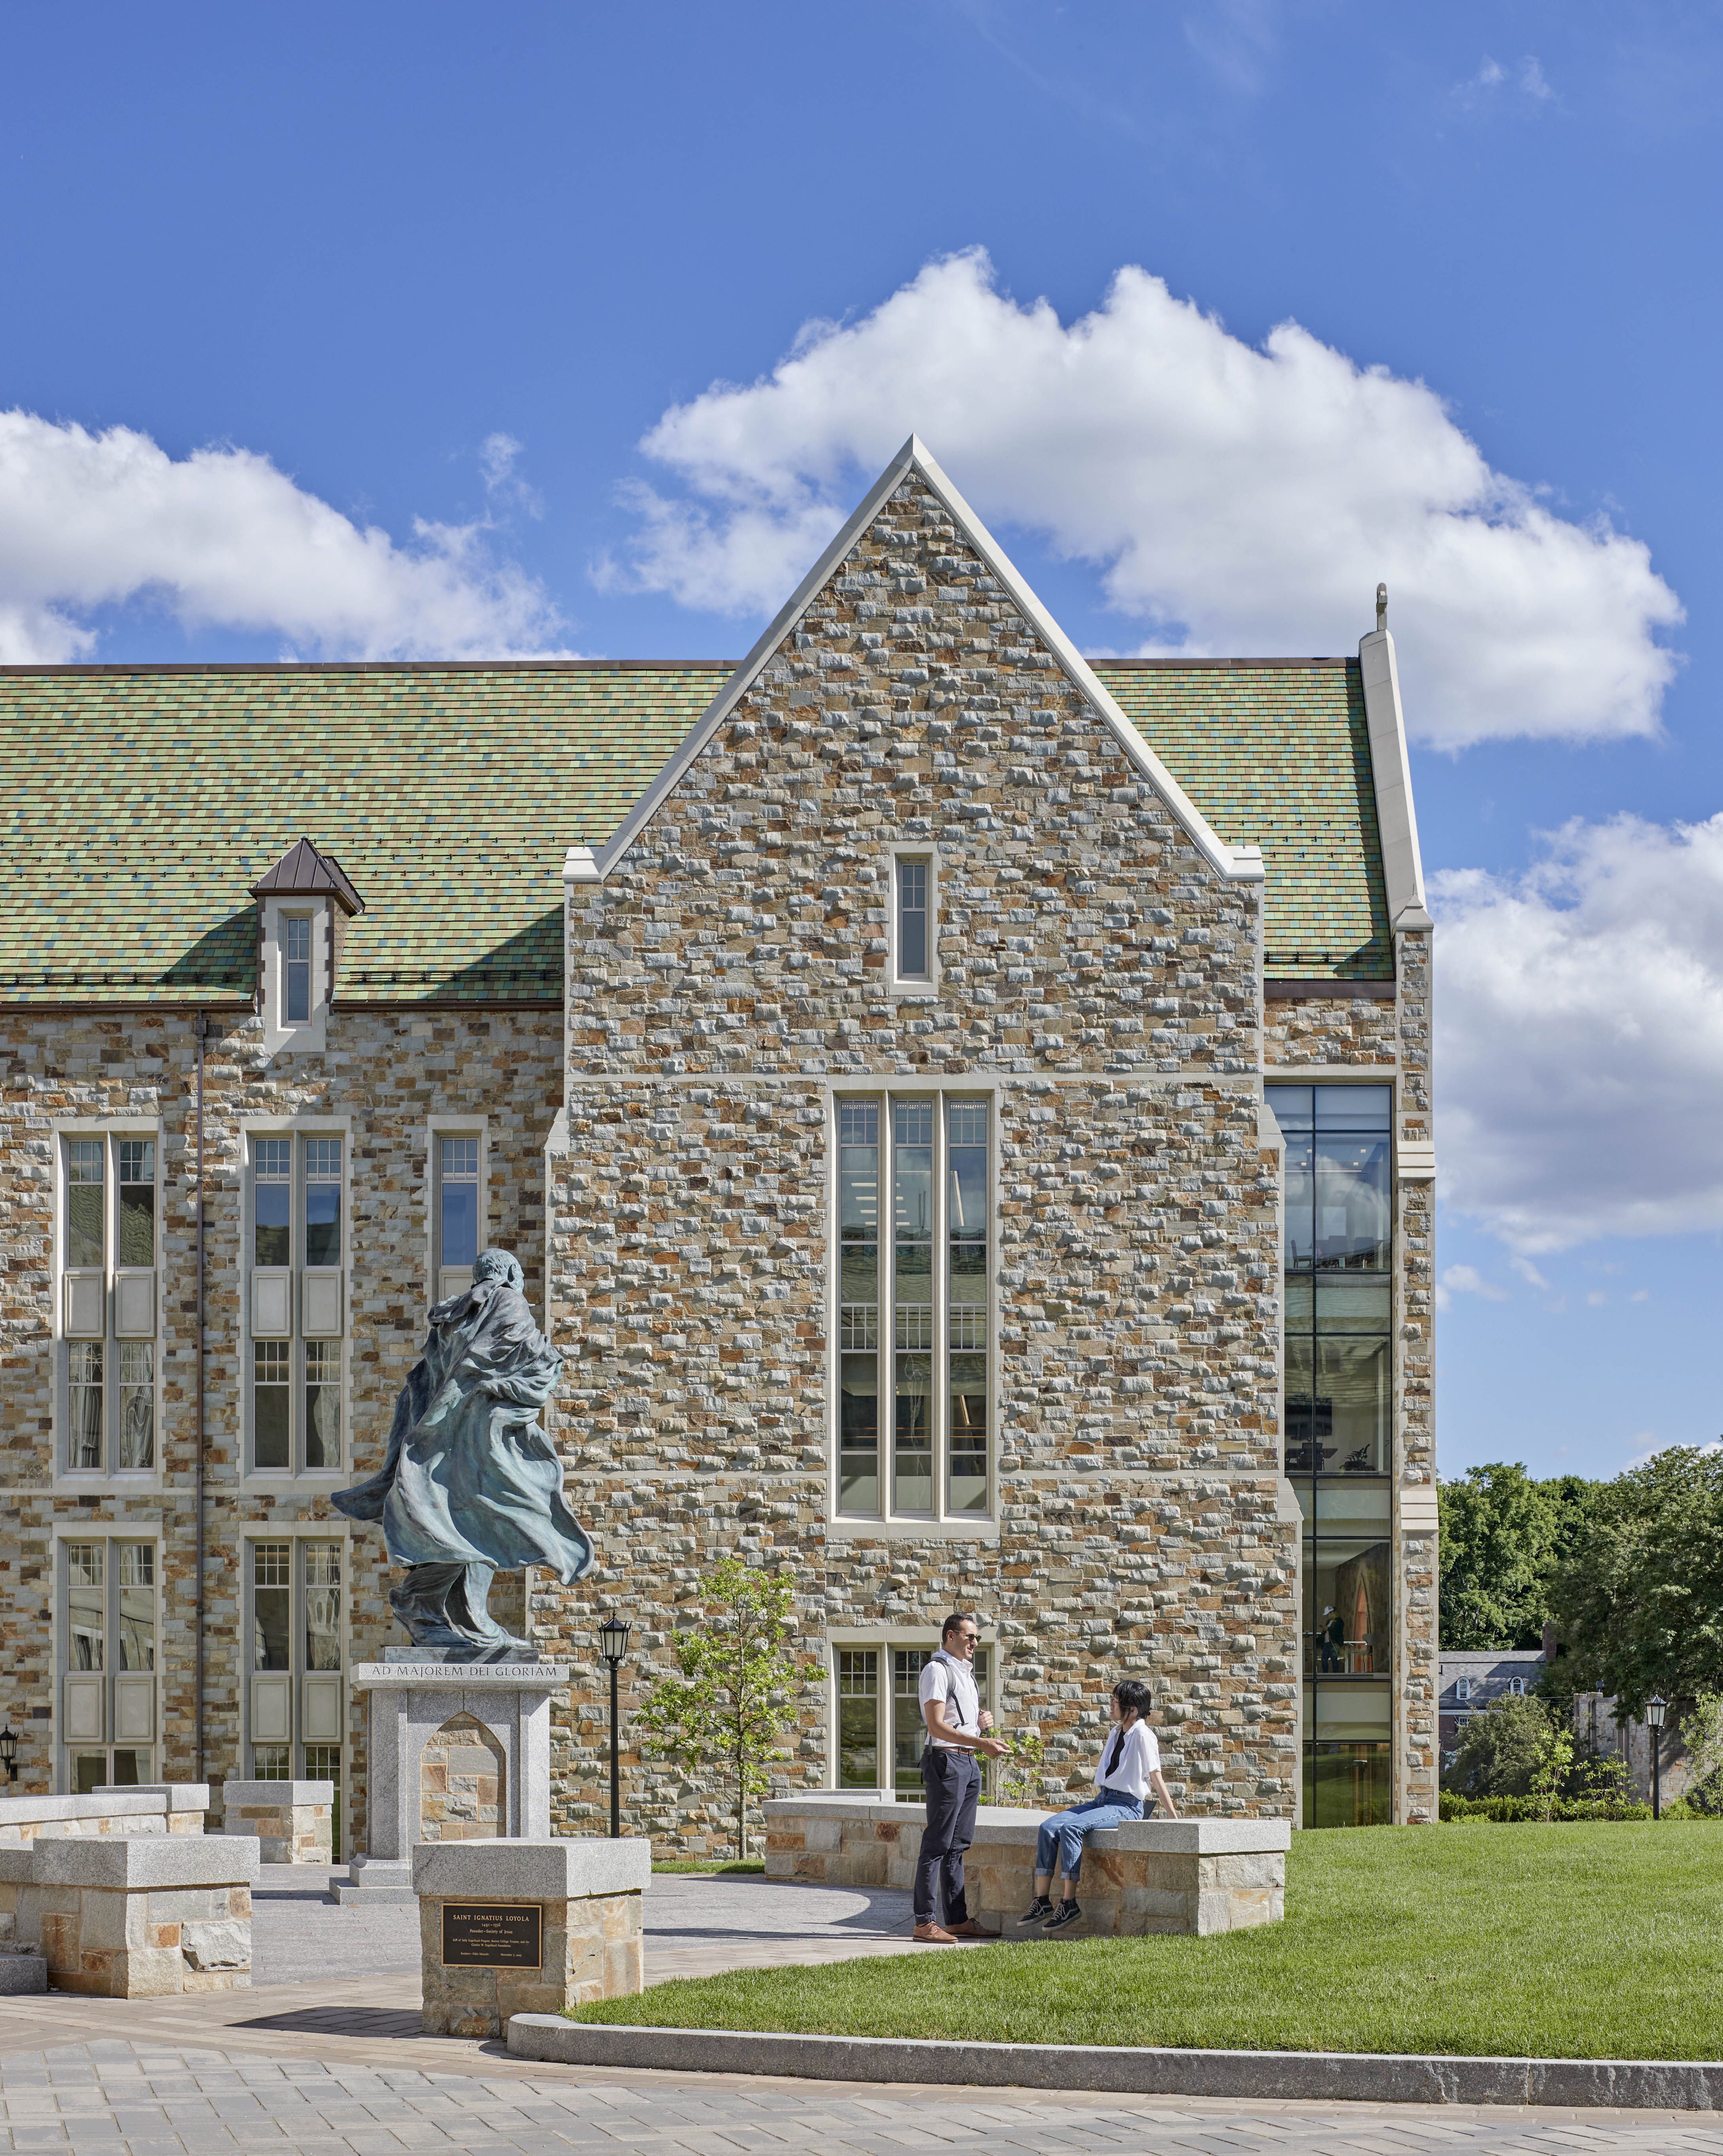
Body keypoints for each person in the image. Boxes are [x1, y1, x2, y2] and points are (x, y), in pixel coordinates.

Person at [1019, 1679, 1178, 1932]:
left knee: (1071, 1828)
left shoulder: (1143, 1735)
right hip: (1103, 1800)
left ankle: (1069, 1903)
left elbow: (1156, 1777)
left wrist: (1176, 1820)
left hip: (1128, 1805)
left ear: (1132, 1710)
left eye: (1116, 1702)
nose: (1111, 1706)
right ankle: (1042, 1901)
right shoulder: (1116, 1733)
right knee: (1048, 1827)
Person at [912, 1611, 1008, 1944]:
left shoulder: (965, 1673)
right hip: (946, 1762)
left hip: (967, 1763)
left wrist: (978, 1725)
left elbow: (956, 1721)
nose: (975, 1642)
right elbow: (936, 1726)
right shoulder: (936, 1670)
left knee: (958, 1845)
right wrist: (981, 1743)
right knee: (937, 1844)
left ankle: (956, 1920)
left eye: (977, 1637)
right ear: (951, 1636)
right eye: (970, 1636)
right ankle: (924, 1922)